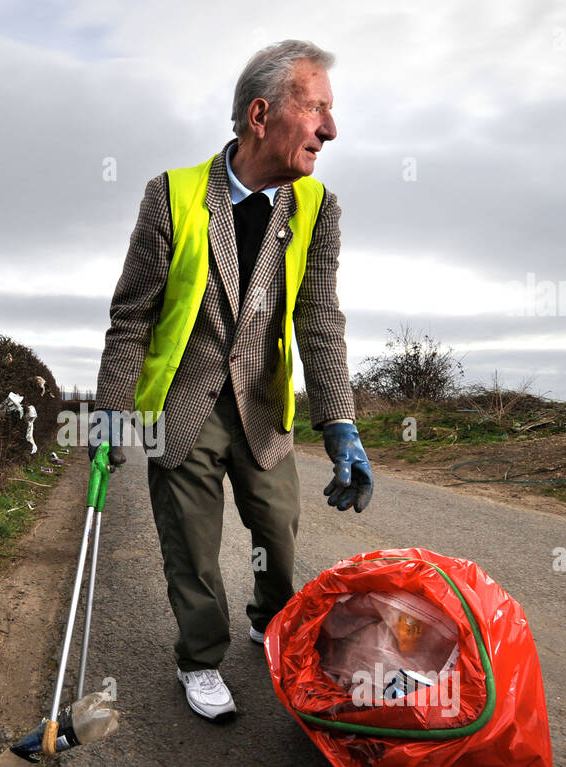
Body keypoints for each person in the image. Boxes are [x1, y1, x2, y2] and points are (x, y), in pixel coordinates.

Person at [89, 39, 373, 722]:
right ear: (260, 114)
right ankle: (201, 658)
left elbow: (319, 321)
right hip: (182, 405)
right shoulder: (173, 195)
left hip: (263, 408)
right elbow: (130, 319)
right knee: (191, 544)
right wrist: (109, 417)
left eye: (331, 114)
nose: (330, 130)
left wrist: (340, 424)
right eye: (317, 111)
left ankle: (268, 620)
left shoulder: (317, 208)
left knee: (277, 532)